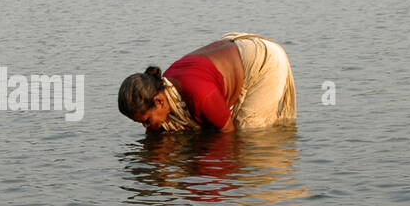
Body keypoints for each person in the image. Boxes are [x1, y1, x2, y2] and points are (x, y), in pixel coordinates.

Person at [118, 32, 296, 133]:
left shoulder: (199, 95)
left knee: (250, 134)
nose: (146, 127)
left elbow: (228, 134)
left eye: (147, 121)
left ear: (159, 101)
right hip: (231, 53)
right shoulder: (164, 90)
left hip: (261, 61)